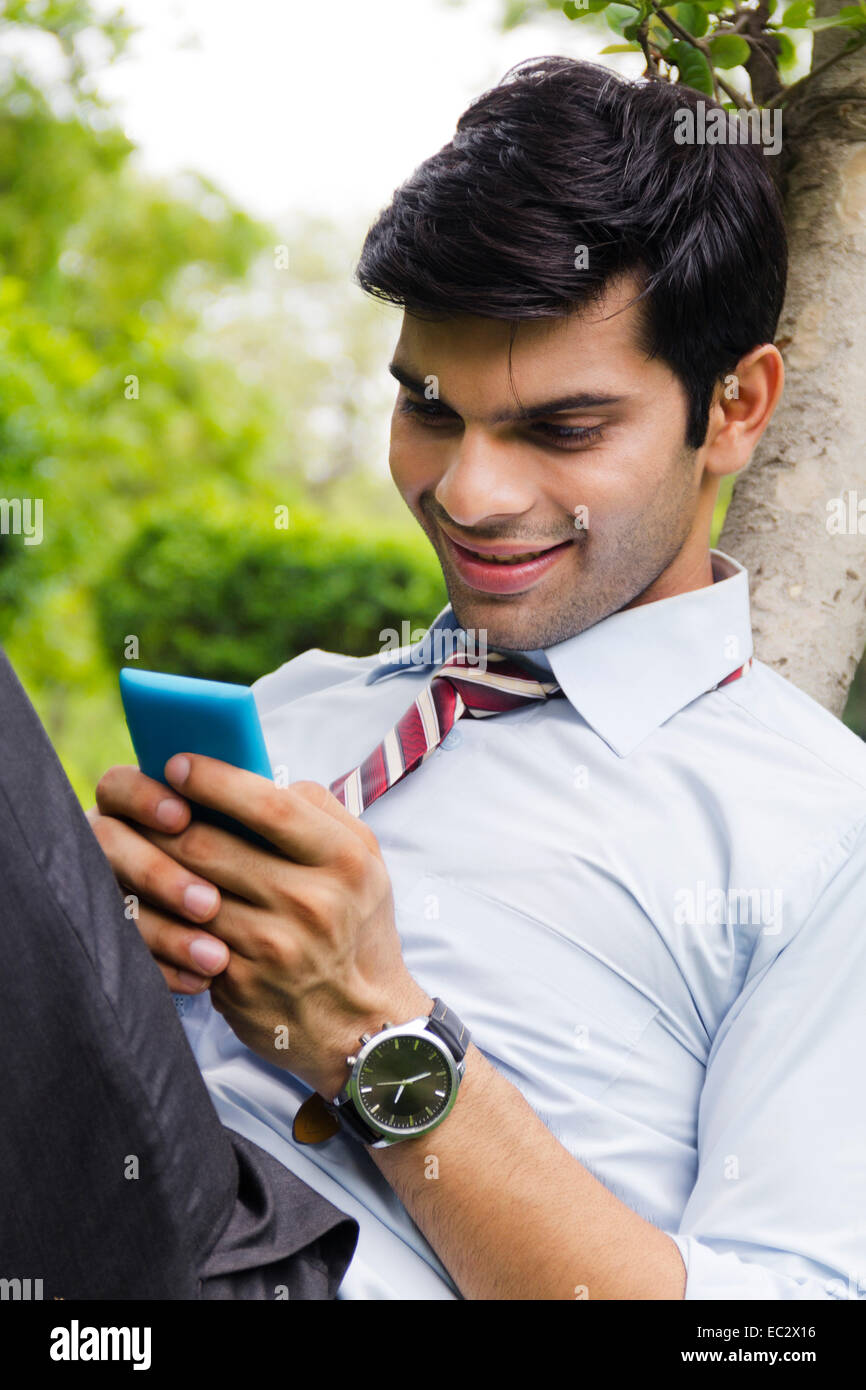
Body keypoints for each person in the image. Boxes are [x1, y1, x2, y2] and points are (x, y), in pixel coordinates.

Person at [84, 56, 866, 1300]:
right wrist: (104, 956)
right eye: (431, 411)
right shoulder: (294, 712)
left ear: (733, 406)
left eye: (561, 430)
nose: (468, 495)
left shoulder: (830, 839)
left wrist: (371, 1033)